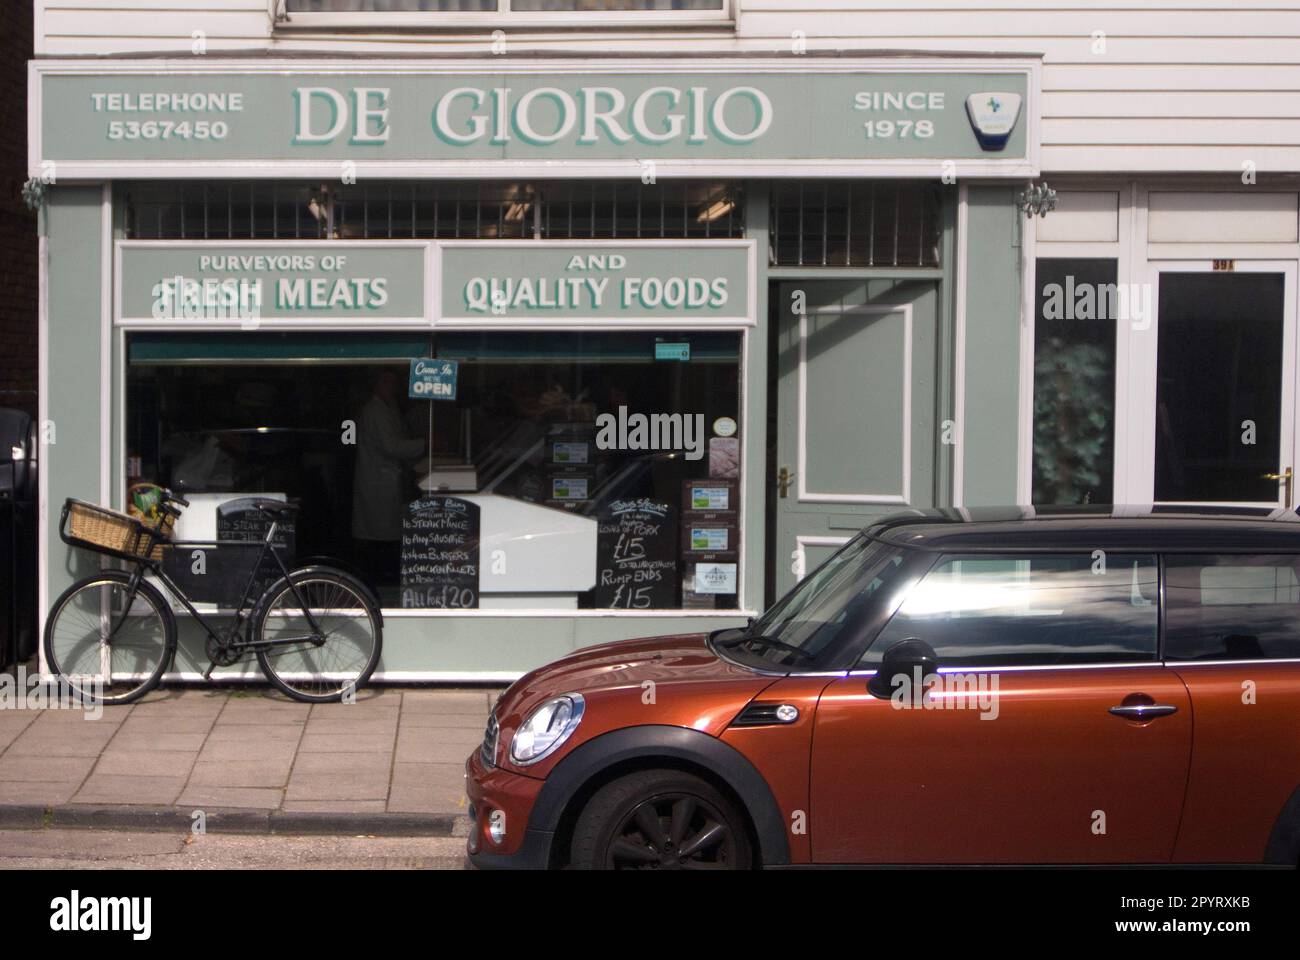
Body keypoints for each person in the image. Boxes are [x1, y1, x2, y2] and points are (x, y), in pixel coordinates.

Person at [352, 368, 425, 584]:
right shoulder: (373, 411)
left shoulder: (389, 408)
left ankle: (383, 575)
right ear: (377, 384)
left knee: (386, 529)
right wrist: (426, 444)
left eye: (394, 383)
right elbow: (391, 446)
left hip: (389, 479)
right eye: (387, 383)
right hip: (378, 480)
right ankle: (378, 579)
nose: (392, 388)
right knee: (378, 533)